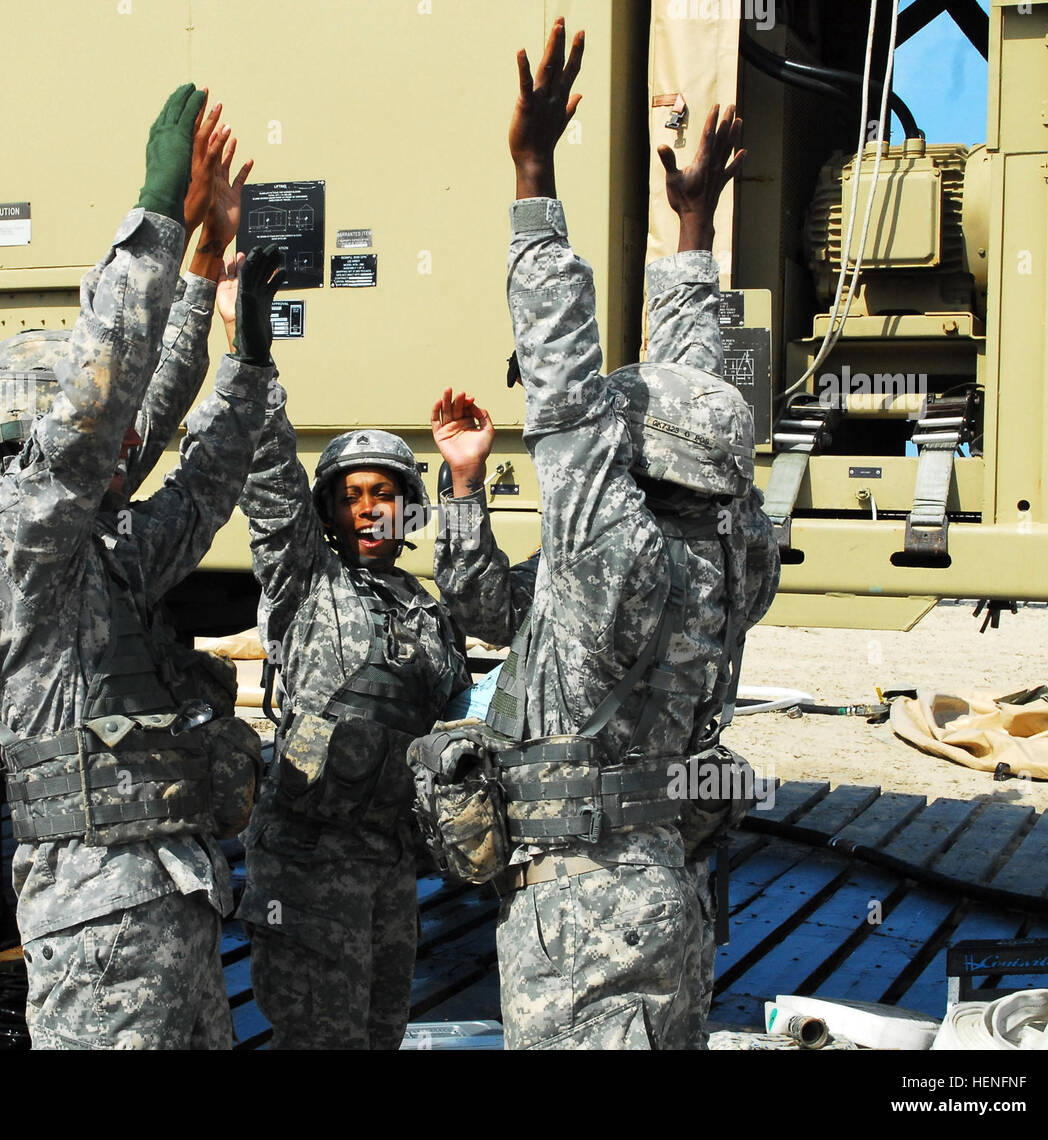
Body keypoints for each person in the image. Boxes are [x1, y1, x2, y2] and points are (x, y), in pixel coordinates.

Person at [429, 21, 777, 1049]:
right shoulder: (727, 553)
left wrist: (532, 172)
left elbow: (562, 368)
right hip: (665, 890)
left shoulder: (605, 545)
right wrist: (692, 224)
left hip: (576, 919)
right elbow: (695, 393)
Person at [0, 84, 285, 1049]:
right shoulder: (9, 535)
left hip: (172, 900)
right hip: (94, 928)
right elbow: (99, 414)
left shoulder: (94, 554)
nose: (119, 447)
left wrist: (237, 344)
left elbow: (192, 477)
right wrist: (157, 216)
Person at [228, 310, 472, 1048]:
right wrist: (253, 356)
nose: (369, 509)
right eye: (351, 495)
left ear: (408, 509)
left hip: (390, 866)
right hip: (308, 864)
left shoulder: (430, 615)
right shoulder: (306, 581)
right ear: (329, 512)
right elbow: (270, 477)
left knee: (380, 1033)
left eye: (385, 494)